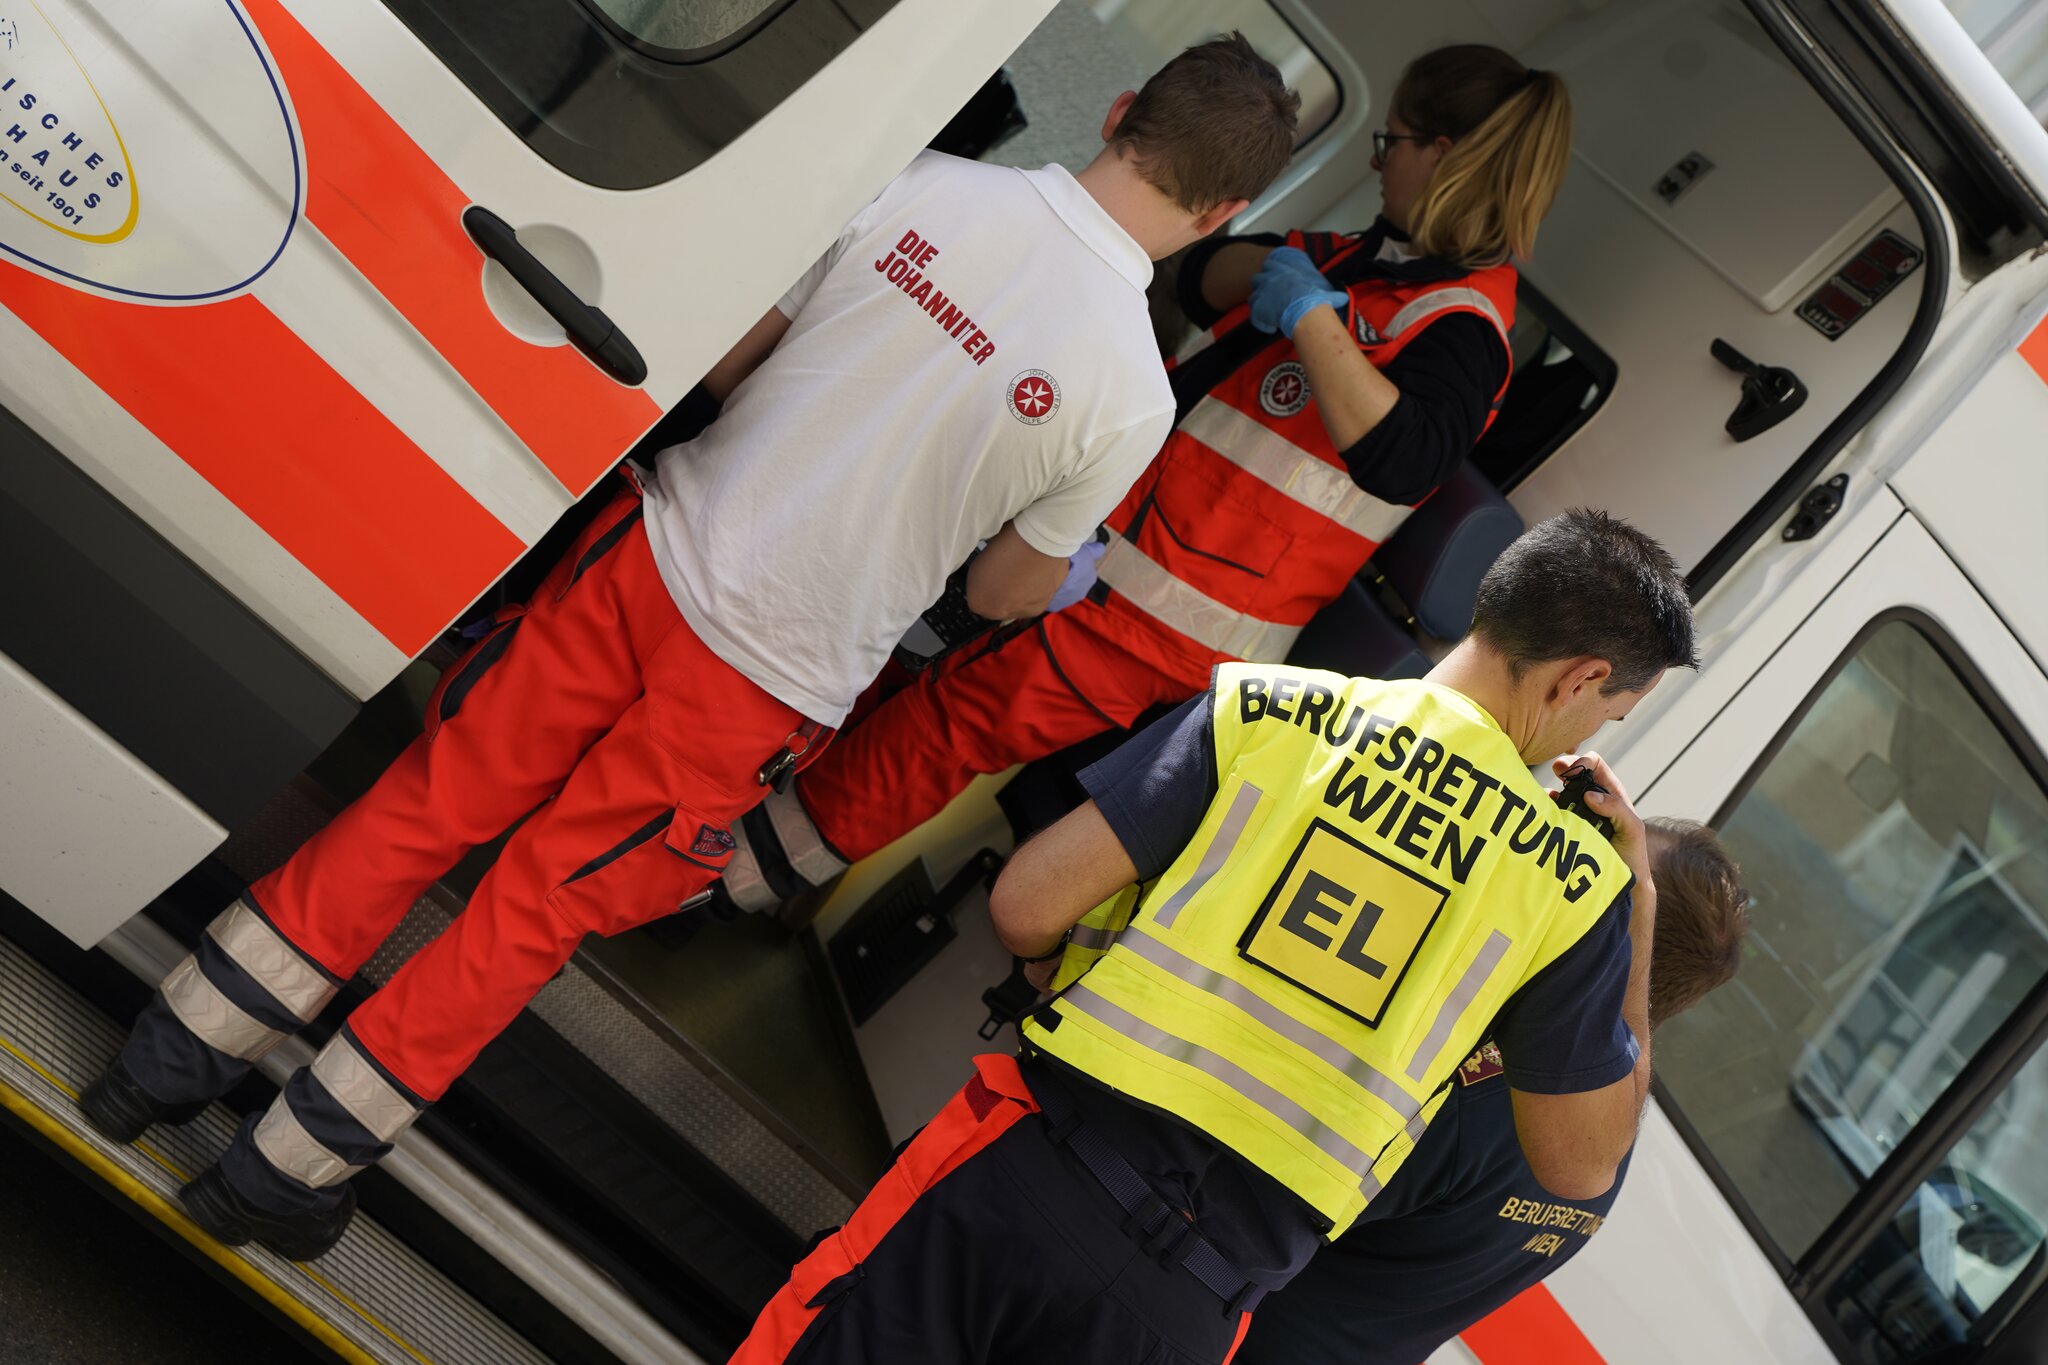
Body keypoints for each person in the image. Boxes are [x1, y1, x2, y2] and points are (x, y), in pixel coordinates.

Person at [78, 36, 1303, 1260]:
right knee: (530, 912)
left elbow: (732, 360)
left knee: (428, 800)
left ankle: (165, 1057)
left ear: (1126, 110)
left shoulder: (923, 184)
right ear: (1226, 211)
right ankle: (281, 1173)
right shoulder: (1131, 394)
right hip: (763, 678)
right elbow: (1000, 589)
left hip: (653, 558)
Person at [730, 509, 1698, 1364]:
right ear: (1583, 677)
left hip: (1027, 1177)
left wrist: (1055, 969)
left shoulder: (1267, 709)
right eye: (1611, 711)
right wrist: (1635, 907)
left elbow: (1028, 903)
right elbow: (1577, 1166)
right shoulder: (1573, 889)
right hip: (1188, 1301)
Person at [716, 43, 1574, 921]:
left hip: (1173, 614)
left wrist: (1317, 318)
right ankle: (730, 820)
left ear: (1442, 155)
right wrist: (1279, 273)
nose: (1376, 158)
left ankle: (735, 876)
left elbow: (1405, 458)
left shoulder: (1465, 328)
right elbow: (1204, 277)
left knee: (948, 725)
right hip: (1113, 559)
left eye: (1389, 141)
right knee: (918, 681)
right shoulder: (1374, 258)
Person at [1237, 809, 1748, 1365]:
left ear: (1620, 936)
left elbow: (1248, 1194)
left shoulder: (1486, 1087)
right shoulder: (1605, 1147)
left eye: (1603, 862)